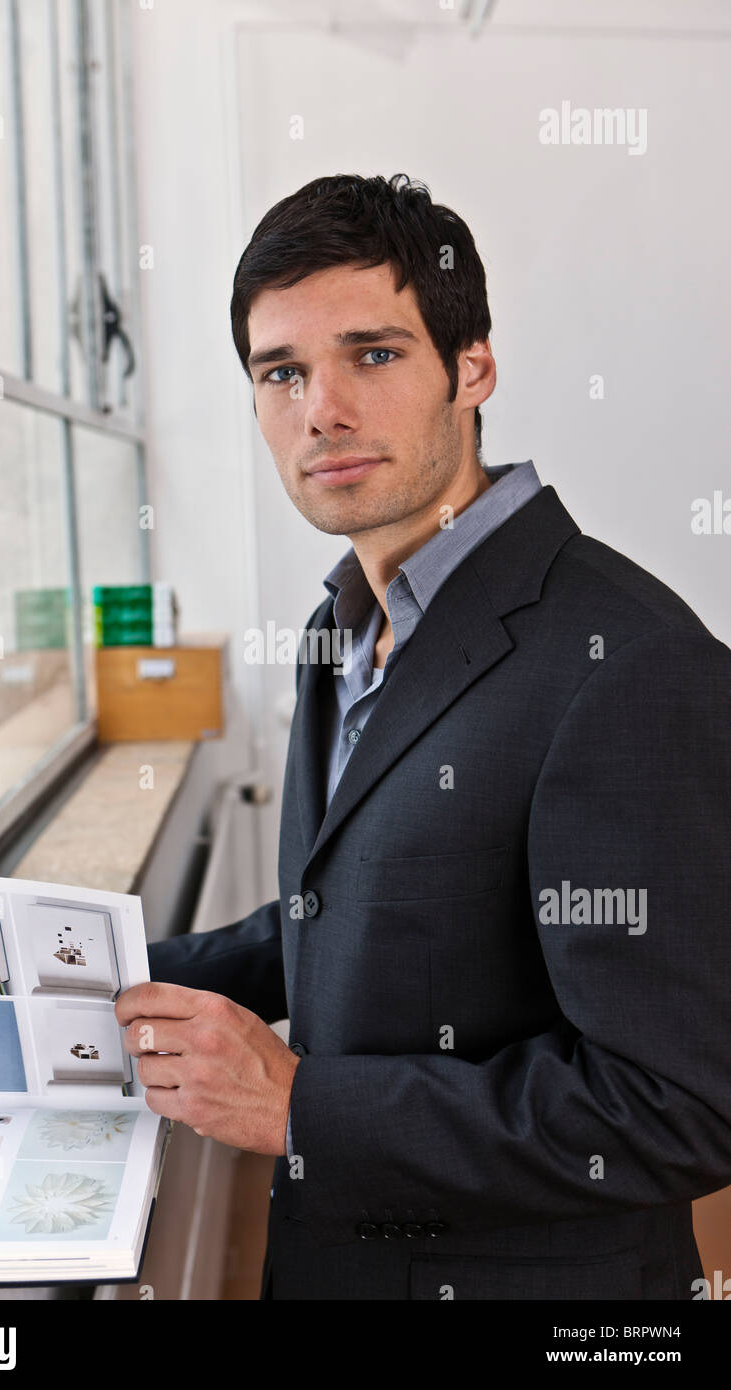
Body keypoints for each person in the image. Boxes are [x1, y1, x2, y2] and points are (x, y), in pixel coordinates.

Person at [115, 173, 731, 1300]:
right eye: (282, 372)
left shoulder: (631, 666)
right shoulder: (336, 625)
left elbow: (675, 1104)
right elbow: (365, 898)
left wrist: (299, 1104)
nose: (322, 409)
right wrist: (101, 982)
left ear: (472, 367)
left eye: (374, 354)